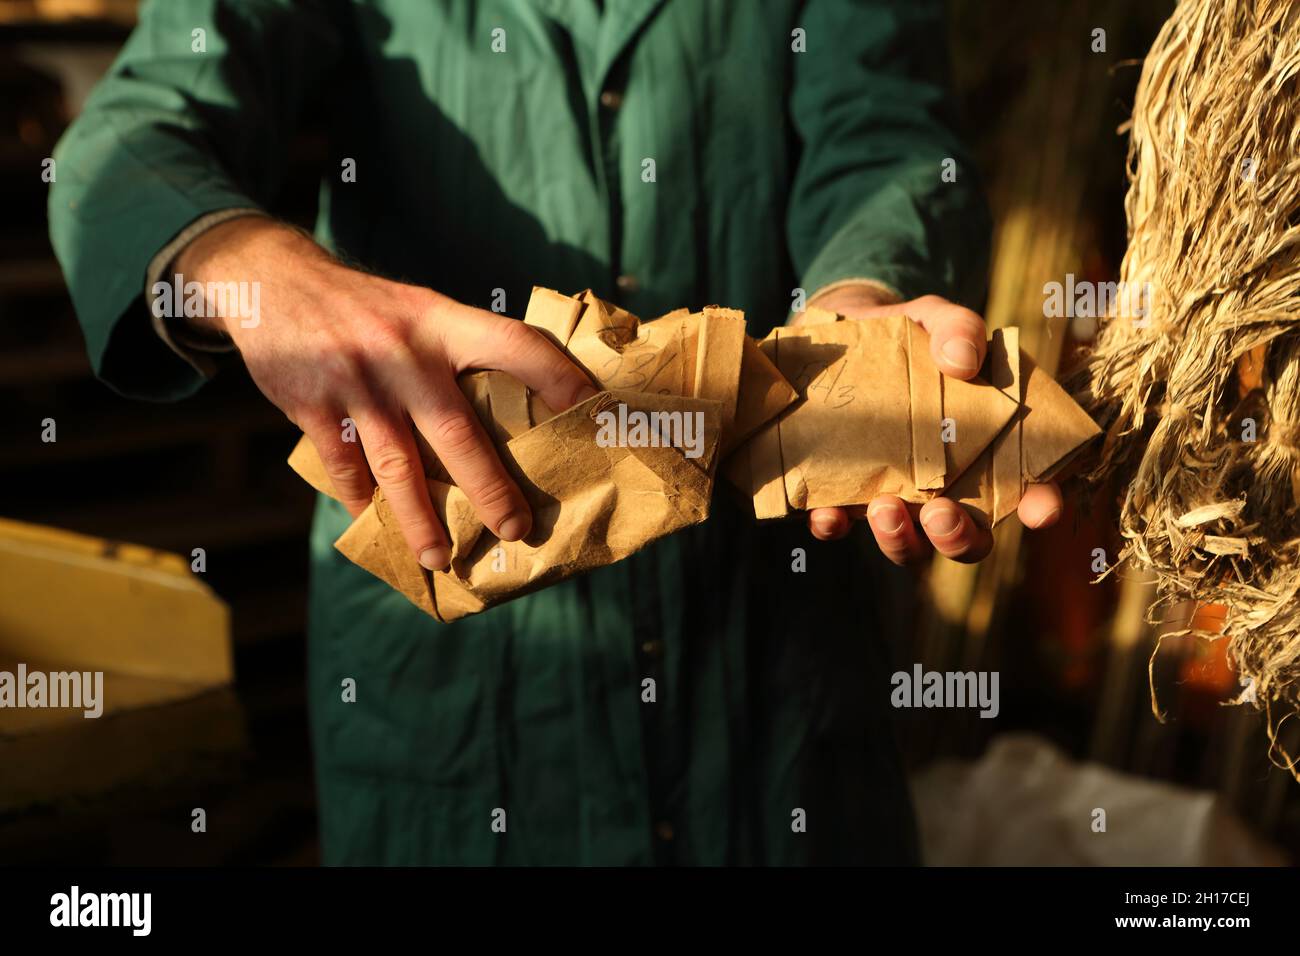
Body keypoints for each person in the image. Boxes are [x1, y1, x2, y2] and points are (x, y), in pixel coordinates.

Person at [49, 0, 1060, 864]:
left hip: (766, 655)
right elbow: (141, 125)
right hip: (459, 666)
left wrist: (860, 305)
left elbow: (882, 132)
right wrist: (247, 263)